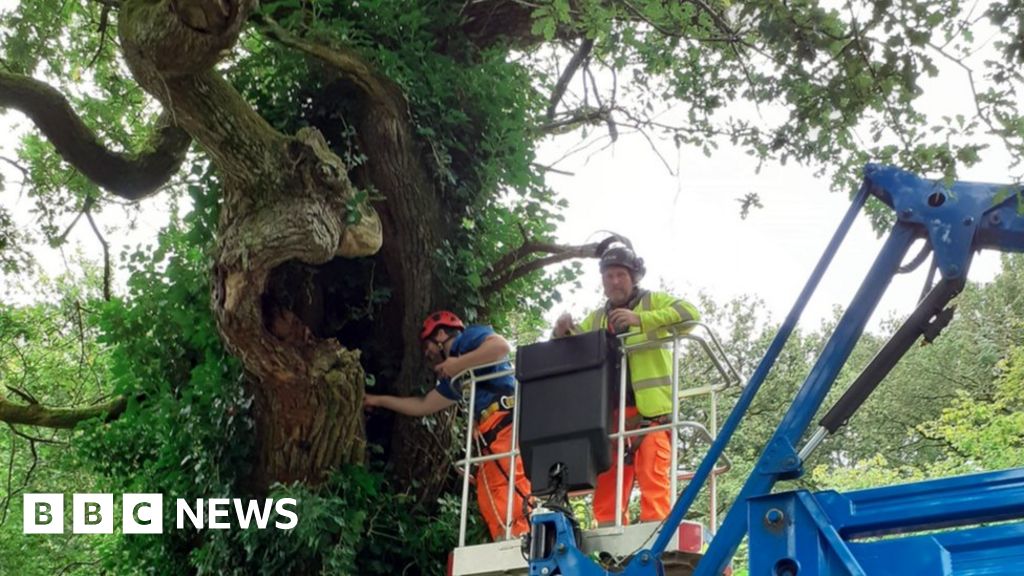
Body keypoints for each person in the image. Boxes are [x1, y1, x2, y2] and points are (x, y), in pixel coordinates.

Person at [553, 237, 699, 527]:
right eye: (609, 276)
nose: (615, 281)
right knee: (607, 488)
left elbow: (690, 314)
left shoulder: (652, 302)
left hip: (651, 416)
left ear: (633, 278)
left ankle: (654, 547)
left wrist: (640, 319)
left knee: (654, 481)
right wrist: (560, 331)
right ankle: (609, 554)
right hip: (609, 419)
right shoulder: (597, 318)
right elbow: (574, 347)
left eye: (621, 275)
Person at [364, 311, 531, 540]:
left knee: (509, 488)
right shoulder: (455, 378)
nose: (428, 353)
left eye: (429, 345)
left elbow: (500, 347)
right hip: (490, 436)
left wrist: (458, 363)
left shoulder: (467, 340)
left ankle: (525, 539)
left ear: (441, 334)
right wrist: (377, 400)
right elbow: (423, 405)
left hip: (504, 425)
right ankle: (506, 543)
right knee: (488, 492)